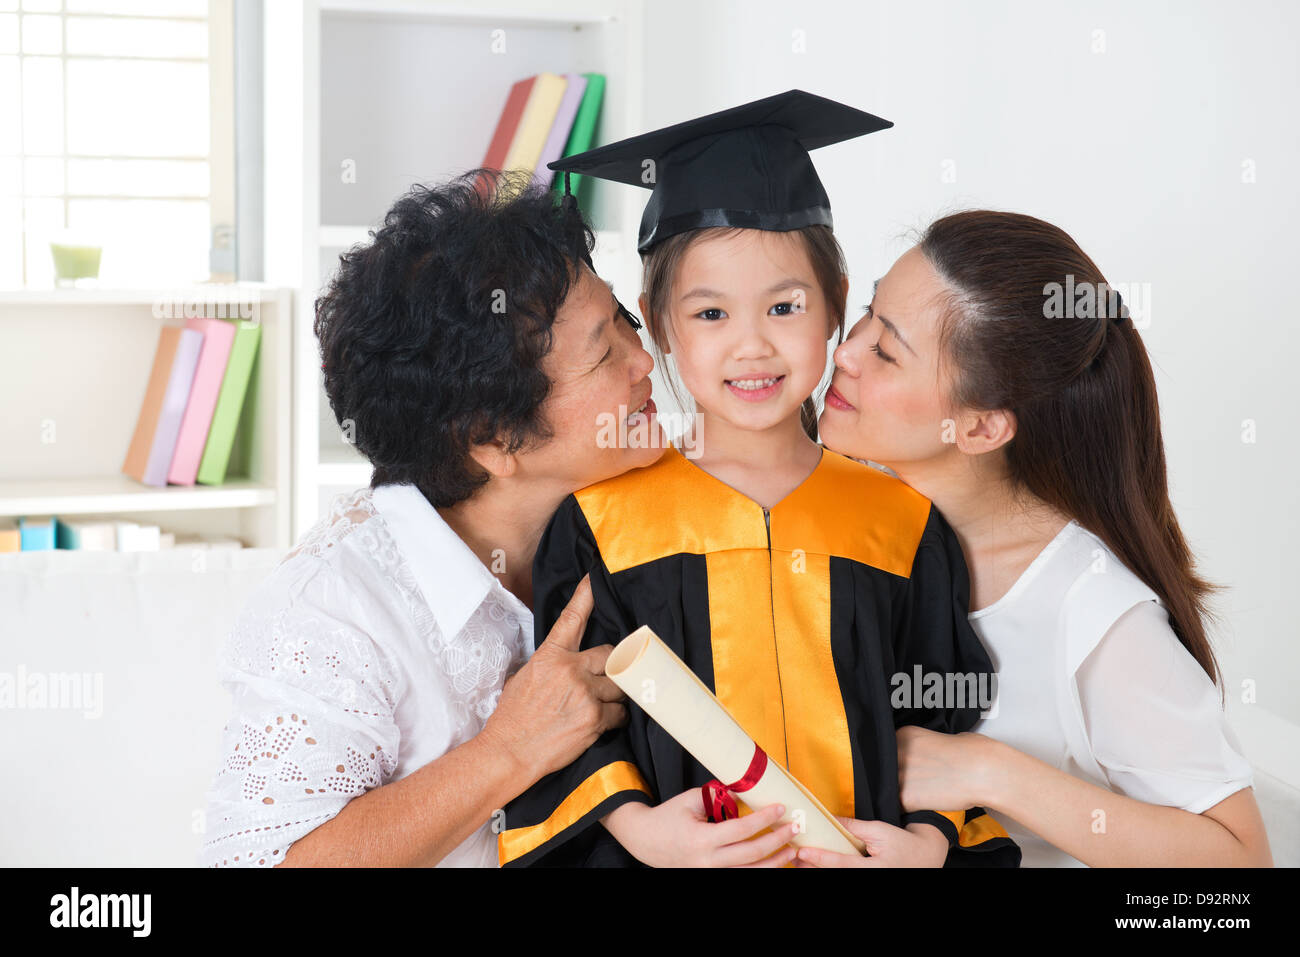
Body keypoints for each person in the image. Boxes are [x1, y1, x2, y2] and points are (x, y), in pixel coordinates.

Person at [498, 91, 1019, 868]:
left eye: (784, 306)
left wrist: (933, 840)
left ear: (836, 308)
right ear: (660, 322)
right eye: (710, 315)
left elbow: (943, 716)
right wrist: (640, 829)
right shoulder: (600, 523)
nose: (752, 346)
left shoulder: (901, 520)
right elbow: (575, 718)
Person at [198, 170, 663, 867]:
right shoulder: (330, 613)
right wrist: (507, 752)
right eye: (604, 351)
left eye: (624, 318)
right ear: (495, 438)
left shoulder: (631, 506)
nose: (644, 359)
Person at [801, 209, 1272, 867]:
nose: (843, 353)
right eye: (868, 316)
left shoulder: (1094, 613)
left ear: (982, 428)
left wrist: (990, 771)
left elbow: (1240, 864)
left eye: (885, 351)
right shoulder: (844, 513)